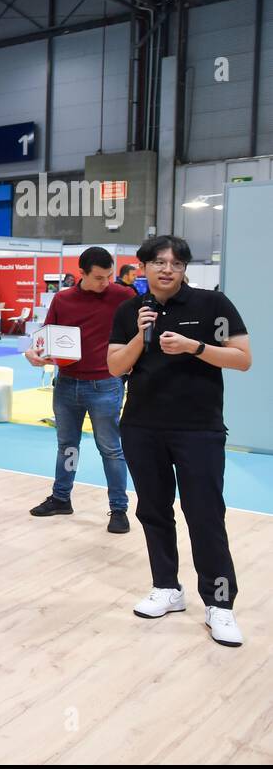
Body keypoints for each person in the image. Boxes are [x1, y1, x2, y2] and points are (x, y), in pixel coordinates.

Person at [108, 235, 252, 646]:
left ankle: (220, 605)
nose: (167, 268)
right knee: (153, 511)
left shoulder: (213, 305)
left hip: (199, 429)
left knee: (205, 514)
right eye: (158, 261)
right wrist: (141, 335)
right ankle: (167, 588)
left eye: (175, 262)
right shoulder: (129, 311)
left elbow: (242, 358)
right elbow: (115, 365)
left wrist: (195, 347)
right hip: (141, 427)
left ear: (185, 268)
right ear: (143, 268)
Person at [26, 246, 136, 533]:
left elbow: (139, 334)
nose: (106, 283)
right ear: (82, 274)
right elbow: (47, 337)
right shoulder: (63, 299)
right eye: (99, 277)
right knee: (67, 447)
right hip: (66, 385)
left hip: (107, 384)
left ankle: (119, 508)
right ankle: (62, 498)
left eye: (109, 276)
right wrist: (35, 354)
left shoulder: (124, 296)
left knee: (111, 449)